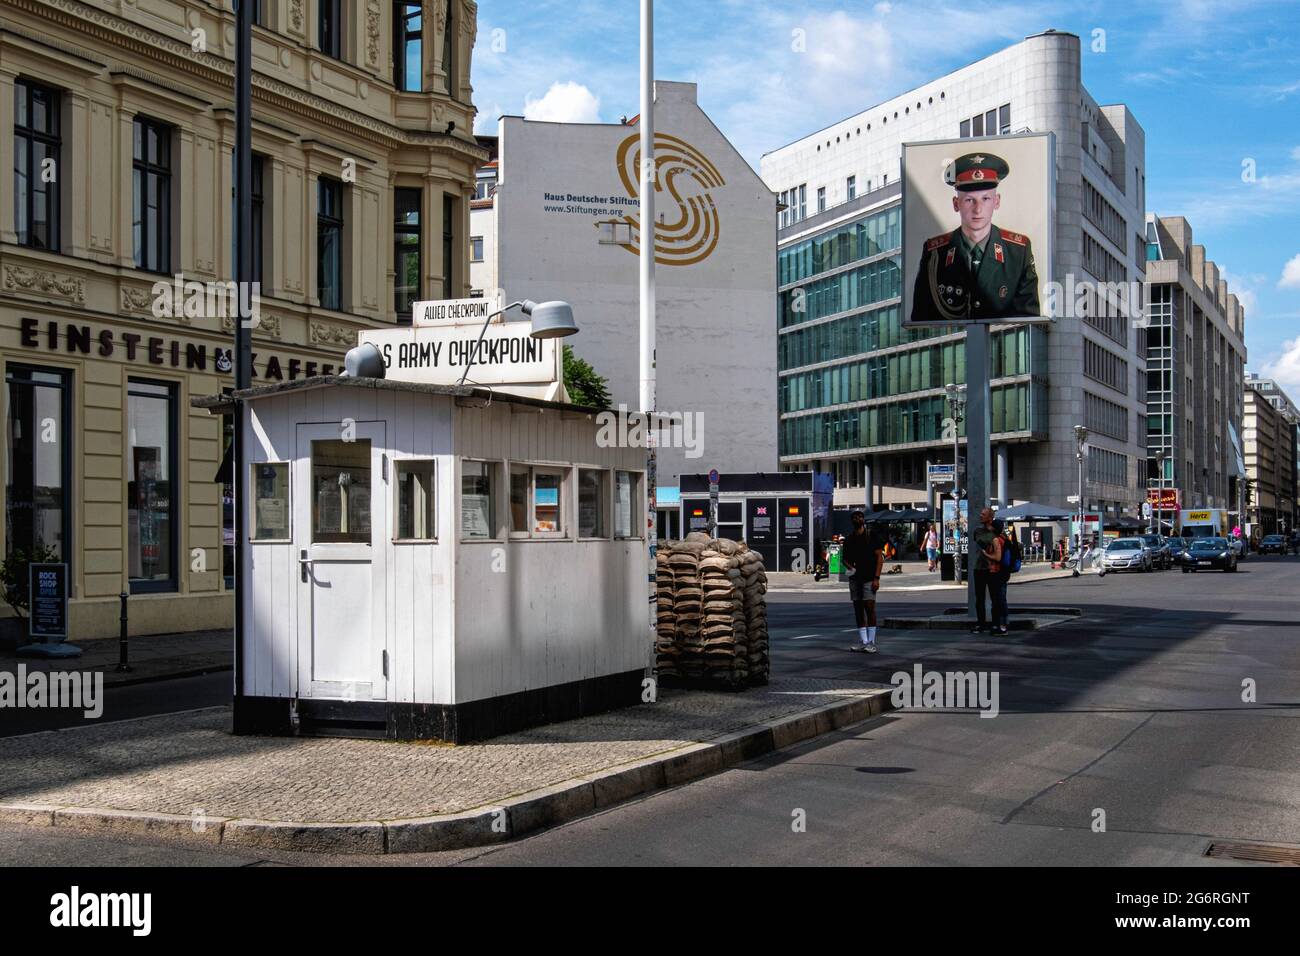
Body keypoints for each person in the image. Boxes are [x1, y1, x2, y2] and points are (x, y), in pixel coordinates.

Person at [910, 152, 1042, 324]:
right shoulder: (935, 253)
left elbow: (1028, 321)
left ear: (997, 201)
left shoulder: (1018, 251)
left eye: (985, 199)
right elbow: (922, 319)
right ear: (956, 204)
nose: (978, 209)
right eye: (969, 200)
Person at [841, 511, 884, 654]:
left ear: (863, 519)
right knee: (858, 610)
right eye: (854, 517)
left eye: (859, 517)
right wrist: (850, 567)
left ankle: (872, 642)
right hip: (855, 578)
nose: (857, 519)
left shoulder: (871, 535)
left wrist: (877, 578)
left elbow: (879, 557)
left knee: (870, 608)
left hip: (869, 577)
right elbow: (844, 559)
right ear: (851, 521)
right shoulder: (849, 539)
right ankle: (864, 641)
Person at [971, 506, 1006, 635]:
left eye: (983, 514)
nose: (980, 515)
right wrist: (994, 536)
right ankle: (981, 624)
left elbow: (994, 544)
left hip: (993, 569)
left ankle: (995, 624)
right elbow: (982, 542)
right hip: (979, 568)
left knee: (995, 598)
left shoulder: (997, 534)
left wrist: (994, 537)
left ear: (990, 518)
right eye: (981, 513)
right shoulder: (979, 531)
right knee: (979, 598)